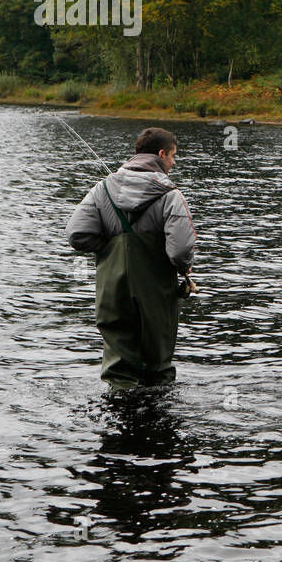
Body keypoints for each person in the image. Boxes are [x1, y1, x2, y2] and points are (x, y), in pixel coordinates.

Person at [67, 127, 197, 387]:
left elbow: (77, 234)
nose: (173, 163)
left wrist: (111, 247)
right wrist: (183, 269)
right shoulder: (171, 195)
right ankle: (155, 420)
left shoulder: (101, 189)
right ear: (161, 154)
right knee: (157, 363)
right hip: (155, 290)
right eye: (173, 157)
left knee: (118, 363)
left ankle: (117, 411)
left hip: (112, 288)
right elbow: (181, 250)